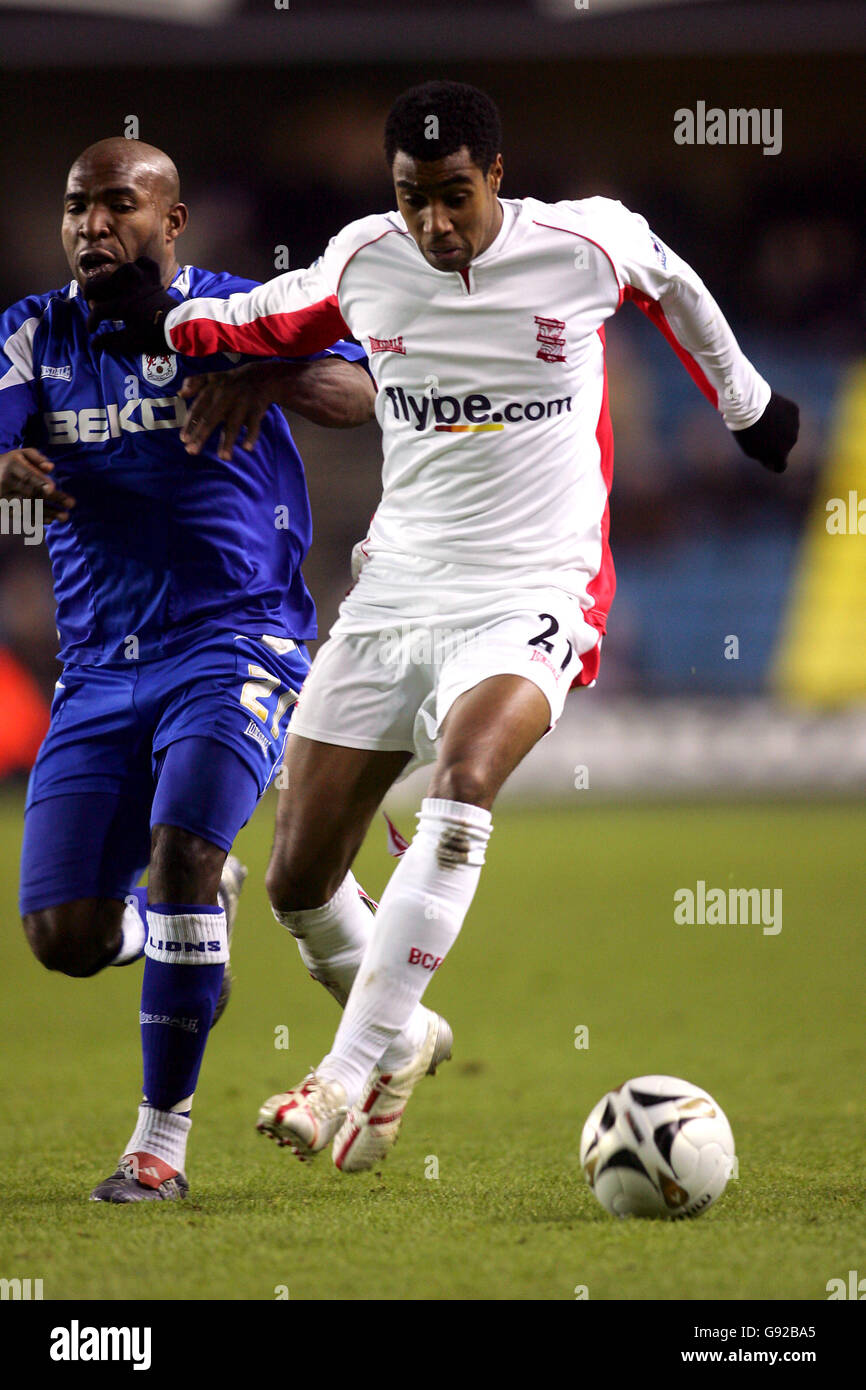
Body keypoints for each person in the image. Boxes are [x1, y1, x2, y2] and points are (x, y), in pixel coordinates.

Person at [86, 83, 799, 1174]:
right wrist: (160, 312)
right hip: (397, 591)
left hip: (535, 586)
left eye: (454, 197)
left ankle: (338, 1076)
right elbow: (243, 318)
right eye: (413, 199)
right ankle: (405, 1040)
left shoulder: (585, 243)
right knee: (293, 879)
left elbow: (677, 284)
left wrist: (748, 406)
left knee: (464, 786)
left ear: (495, 177)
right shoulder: (366, 260)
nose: (434, 224)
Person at [1, 136, 448, 1204]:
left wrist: (264, 367)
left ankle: (159, 1145)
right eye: (76, 207)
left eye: (118, 205)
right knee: (63, 938)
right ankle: (176, 917)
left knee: (184, 848)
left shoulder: (234, 309)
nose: (92, 226)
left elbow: (358, 390)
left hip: (235, 639)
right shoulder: (32, 331)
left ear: (173, 220)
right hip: (100, 663)